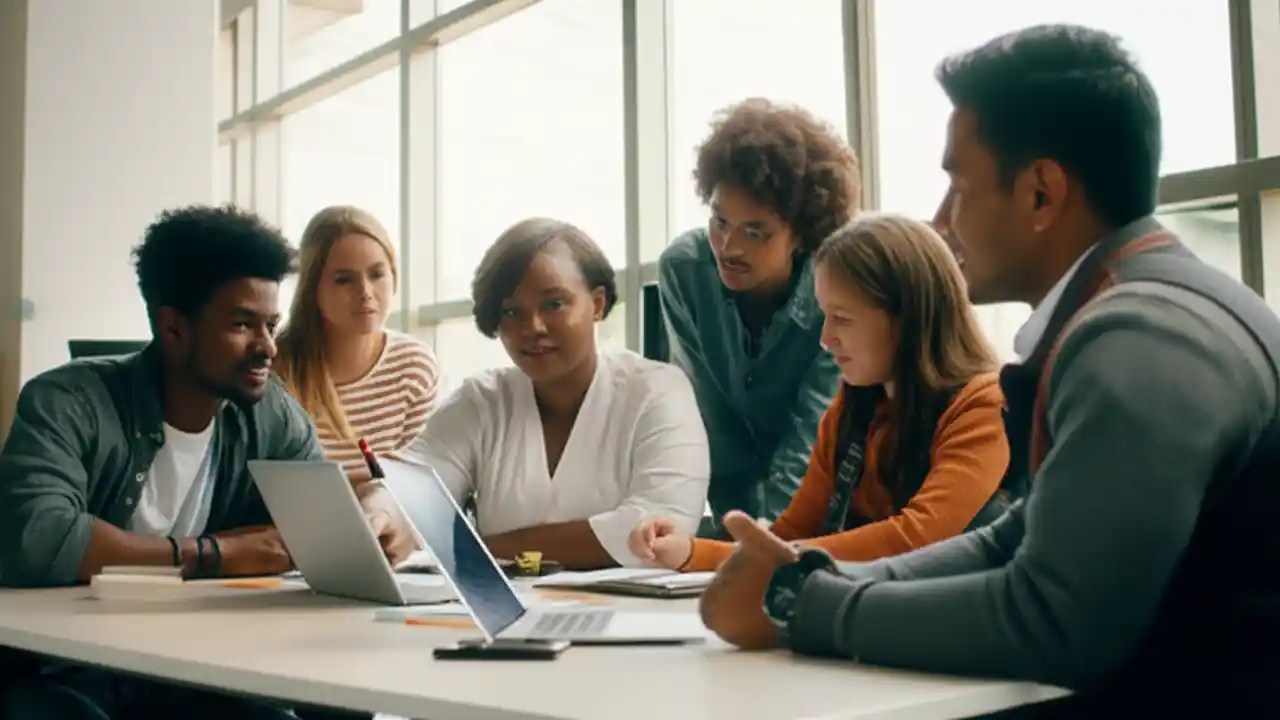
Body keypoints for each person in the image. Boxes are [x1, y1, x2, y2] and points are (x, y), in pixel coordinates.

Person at [697, 24, 1280, 713]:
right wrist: (812, 579)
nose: (942, 220)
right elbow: (1013, 538)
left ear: (1041, 194)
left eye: (958, 185)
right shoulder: (1149, 305)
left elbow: (1051, 620)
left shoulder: (1139, 341)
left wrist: (804, 609)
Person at [0, 205, 417, 719]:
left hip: (195, 663)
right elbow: (37, 537)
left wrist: (379, 509)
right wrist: (216, 554)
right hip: (66, 665)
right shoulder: (70, 400)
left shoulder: (270, 413)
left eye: (271, 325)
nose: (267, 347)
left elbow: (317, 528)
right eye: (243, 324)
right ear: (173, 327)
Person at [630, 214, 1009, 572]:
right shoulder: (852, 411)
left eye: (841, 319)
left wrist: (701, 553)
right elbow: (788, 536)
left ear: (908, 319)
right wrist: (688, 551)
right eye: (825, 315)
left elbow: (915, 538)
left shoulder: (983, 407)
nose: (825, 339)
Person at [400, 217, 709, 569]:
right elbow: (411, 486)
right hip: (502, 605)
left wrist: (481, 549)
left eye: (554, 304)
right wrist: (384, 514)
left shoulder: (658, 391)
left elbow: (660, 530)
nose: (532, 327)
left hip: (627, 606)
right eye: (511, 312)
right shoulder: (482, 401)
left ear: (597, 303)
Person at [659, 99, 859, 534]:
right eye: (720, 221)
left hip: (842, 500)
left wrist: (773, 536)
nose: (729, 247)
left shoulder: (837, 286)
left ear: (800, 234)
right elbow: (712, 419)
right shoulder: (685, 271)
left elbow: (814, 427)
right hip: (743, 509)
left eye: (755, 231)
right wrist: (738, 532)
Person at [275, 205, 439, 482]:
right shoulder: (278, 369)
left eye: (377, 274)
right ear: (312, 288)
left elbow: (416, 483)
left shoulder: (413, 366)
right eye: (344, 280)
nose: (365, 292)